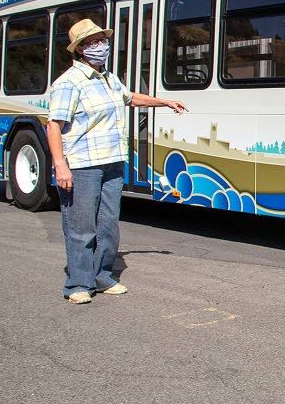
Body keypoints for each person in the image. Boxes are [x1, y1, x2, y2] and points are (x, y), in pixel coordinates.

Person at [47, 18, 186, 304]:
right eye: (93, 42)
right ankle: (78, 284)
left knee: (108, 224)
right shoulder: (69, 83)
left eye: (102, 40)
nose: (101, 46)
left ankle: (103, 277)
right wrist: (60, 164)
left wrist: (164, 101)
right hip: (83, 164)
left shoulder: (108, 78)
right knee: (81, 227)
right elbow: (53, 126)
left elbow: (129, 98)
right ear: (80, 49)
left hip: (112, 161)